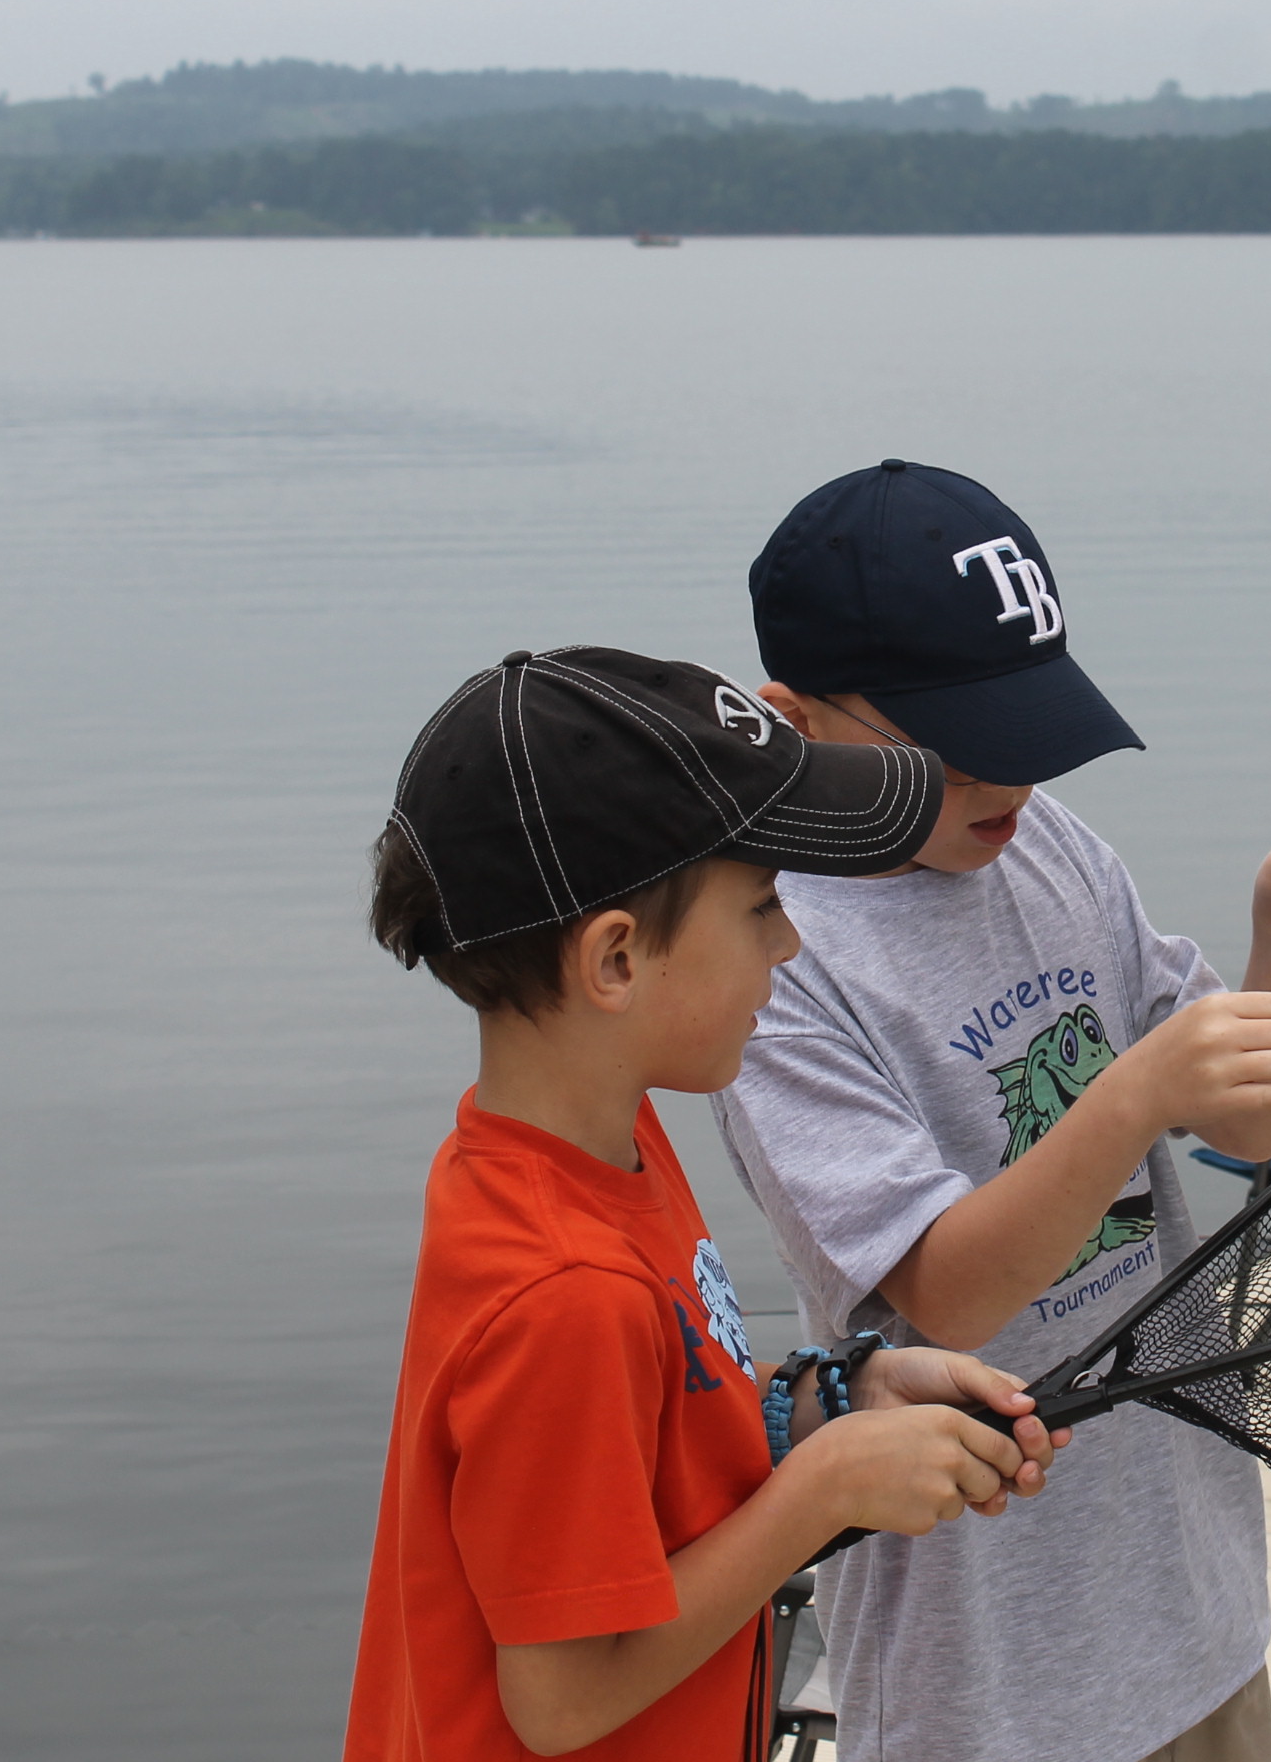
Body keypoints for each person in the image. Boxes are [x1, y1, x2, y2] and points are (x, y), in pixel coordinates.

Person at [710, 460, 1271, 1762]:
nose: (1006, 775)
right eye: (953, 738)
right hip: (992, 1673)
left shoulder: (1053, 846)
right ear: (790, 719)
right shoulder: (777, 960)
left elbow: (1244, 1130)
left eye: (1028, 723)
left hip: (1194, 1599)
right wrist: (1135, 1091)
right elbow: (938, 1298)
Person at [342, 644, 1064, 1762]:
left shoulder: (591, 1144)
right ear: (616, 960)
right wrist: (817, 1495)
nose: (791, 940)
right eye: (764, 905)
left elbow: (654, 1413)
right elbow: (562, 1697)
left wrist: (830, 1397)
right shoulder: (562, 1291)